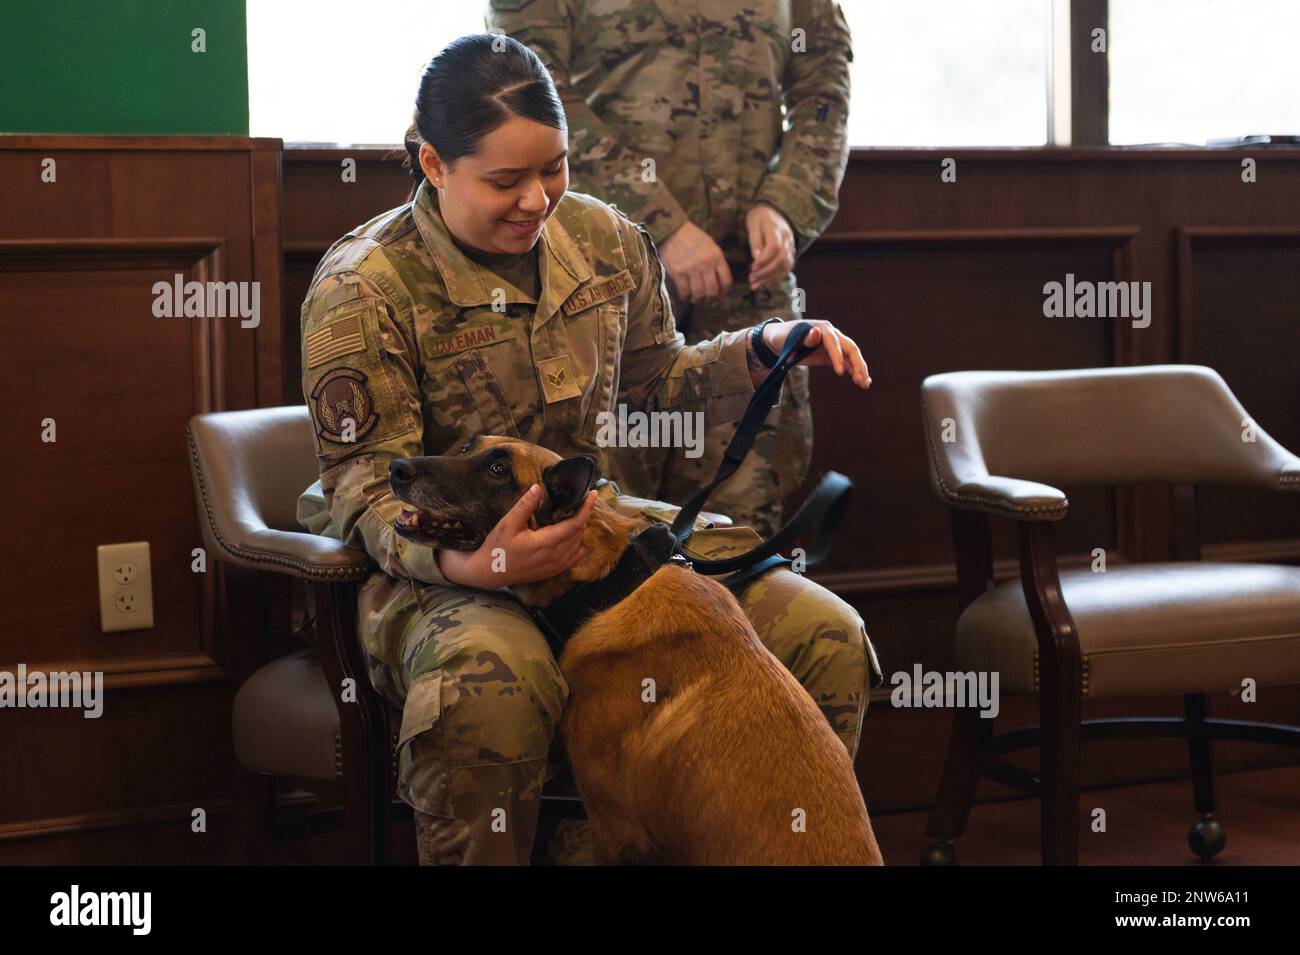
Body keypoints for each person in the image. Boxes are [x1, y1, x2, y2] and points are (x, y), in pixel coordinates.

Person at [296, 34, 880, 866]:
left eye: (555, 169)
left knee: (827, 633)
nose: (537, 200)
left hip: (596, 536)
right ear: (432, 162)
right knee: (491, 686)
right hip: (439, 564)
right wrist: (476, 565)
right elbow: (362, 485)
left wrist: (764, 344)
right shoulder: (364, 285)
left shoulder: (605, 241)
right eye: (505, 180)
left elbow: (660, 382)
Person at [487, 0, 854, 537]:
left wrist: (786, 202)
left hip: (746, 278)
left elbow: (824, 84)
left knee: (737, 531)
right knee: (604, 521)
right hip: (595, 276)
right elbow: (528, 87)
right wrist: (657, 222)